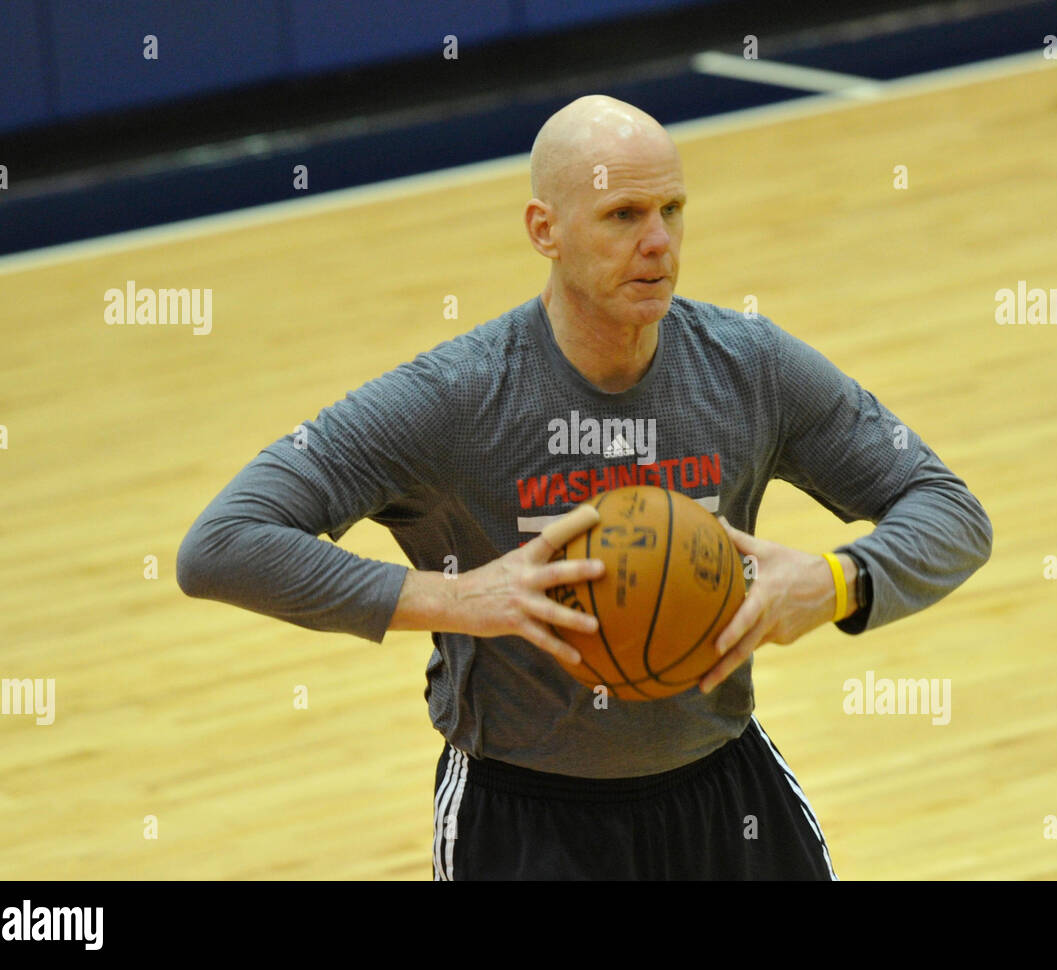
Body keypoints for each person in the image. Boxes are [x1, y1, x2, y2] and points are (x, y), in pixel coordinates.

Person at [177, 94, 992, 880]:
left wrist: (838, 581)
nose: (659, 244)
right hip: (525, 821)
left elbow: (951, 510)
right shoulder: (455, 400)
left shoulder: (752, 369)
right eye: (623, 216)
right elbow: (222, 544)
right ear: (546, 231)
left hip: (724, 793)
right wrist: (457, 598)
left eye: (672, 210)